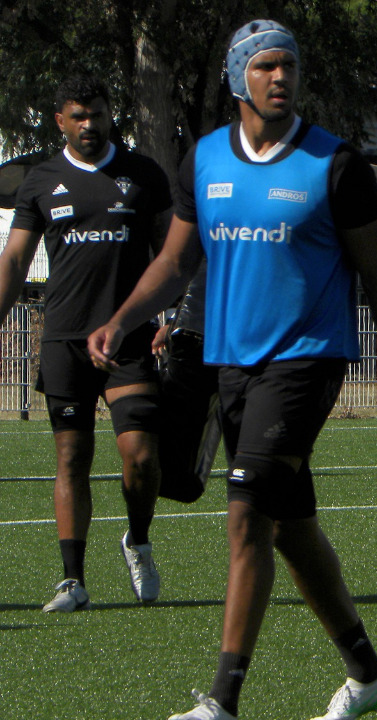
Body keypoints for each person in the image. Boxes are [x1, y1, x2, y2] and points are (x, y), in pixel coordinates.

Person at [86, 19, 377, 720]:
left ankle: (223, 701)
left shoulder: (337, 165)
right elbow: (177, 261)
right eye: (267, 67)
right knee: (288, 526)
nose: (282, 78)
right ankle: (368, 674)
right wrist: (123, 319)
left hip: (307, 361)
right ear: (239, 79)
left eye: (290, 67)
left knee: (245, 518)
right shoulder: (204, 160)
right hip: (231, 366)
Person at [0, 75, 169, 613]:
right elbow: (13, 262)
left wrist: (175, 317)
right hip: (65, 338)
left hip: (130, 335)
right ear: (60, 121)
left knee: (139, 456)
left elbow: (173, 256)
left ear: (108, 113)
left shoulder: (142, 174)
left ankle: (137, 539)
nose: (89, 125)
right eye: (78, 116)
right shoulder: (40, 182)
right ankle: (72, 581)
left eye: (96, 114)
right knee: (71, 457)